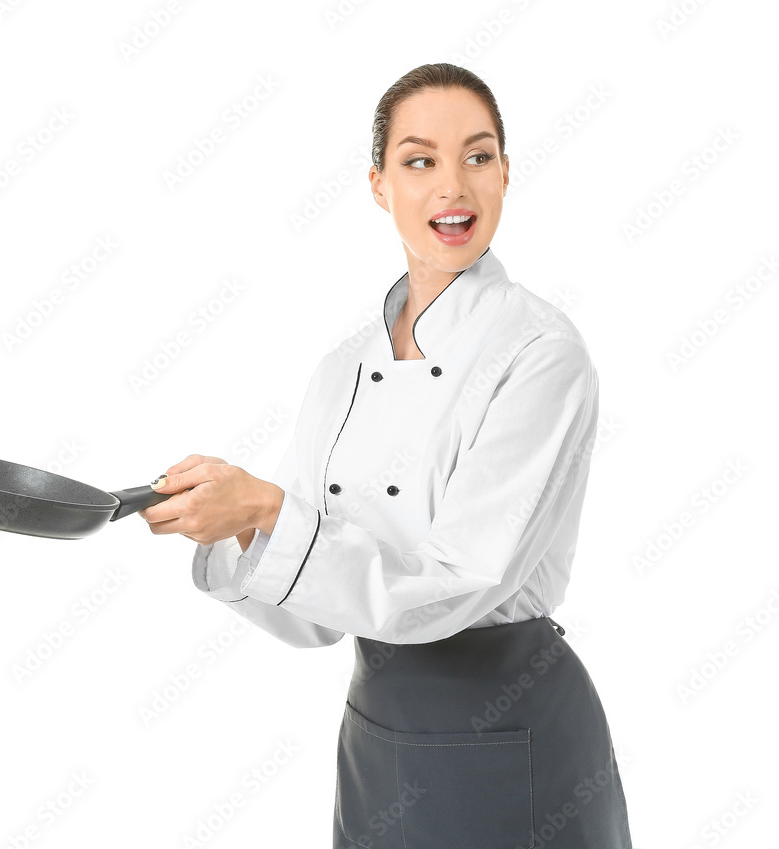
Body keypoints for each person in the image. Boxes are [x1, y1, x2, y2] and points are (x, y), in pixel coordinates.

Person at [139, 62, 633, 849]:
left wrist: (268, 508)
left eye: (477, 157)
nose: (453, 188)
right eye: (419, 160)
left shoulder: (541, 353)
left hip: (515, 730)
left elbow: (455, 587)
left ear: (506, 172)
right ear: (378, 184)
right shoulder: (343, 368)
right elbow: (315, 619)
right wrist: (232, 529)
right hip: (378, 736)